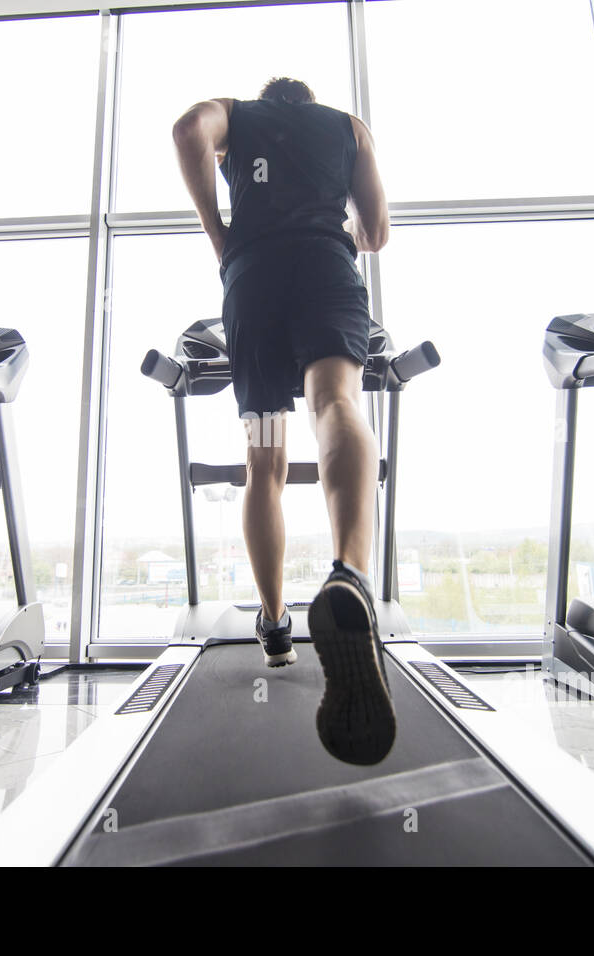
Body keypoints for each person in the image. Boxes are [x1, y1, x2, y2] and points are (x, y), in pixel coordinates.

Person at [171, 77, 394, 765]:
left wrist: (222, 236)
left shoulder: (233, 115)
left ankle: (273, 622)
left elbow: (187, 133)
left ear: (269, 99)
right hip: (326, 267)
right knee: (337, 404)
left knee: (263, 460)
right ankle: (349, 575)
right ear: (309, 101)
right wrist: (347, 232)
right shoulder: (348, 127)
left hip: (253, 283)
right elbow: (377, 232)